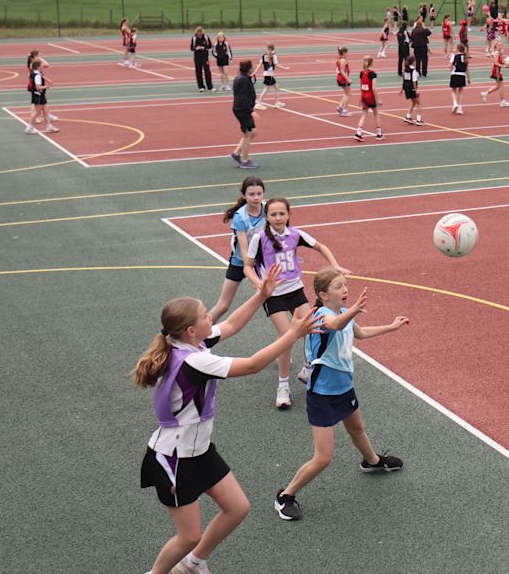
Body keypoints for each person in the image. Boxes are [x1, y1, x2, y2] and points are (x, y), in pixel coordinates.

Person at [134, 265, 320, 574]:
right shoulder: (195, 360)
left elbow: (232, 324)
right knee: (188, 535)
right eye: (205, 315)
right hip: (174, 458)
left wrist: (260, 294)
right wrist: (292, 333)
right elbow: (252, 365)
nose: (211, 317)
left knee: (237, 509)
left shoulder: (192, 344)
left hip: (199, 450)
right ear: (191, 329)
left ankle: (194, 564)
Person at [272, 269, 409, 521]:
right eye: (338, 286)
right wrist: (355, 310)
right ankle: (286, 496)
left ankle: (372, 461)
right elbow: (334, 326)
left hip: (344, 387)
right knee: (323, 458)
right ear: (323, 295)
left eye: (345, 285)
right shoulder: (319, 316)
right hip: (322, 394)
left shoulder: (344, 313)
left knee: (357, 428)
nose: (345, 290)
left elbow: (359, 332)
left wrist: (391, 327)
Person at [244, 197, 350, 409]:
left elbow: (321, 246)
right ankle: (283, 386)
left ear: (288, 214)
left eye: (282, 213)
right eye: (273, 214)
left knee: (314, 328)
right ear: (267, 216)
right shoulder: (259, 238)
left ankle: (307, 369)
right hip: (273, 294)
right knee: (287, 338)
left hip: (295, 289)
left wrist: (335, 265)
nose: (278, 217)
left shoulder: (296, 234)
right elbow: (247, 266)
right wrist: (259, 284)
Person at [209, 176, 268, 321]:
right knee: (223, 306)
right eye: (252, 194)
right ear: (244, 195)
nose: (256, 197)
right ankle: (199, 332)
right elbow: (244, 249)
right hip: (241, 262)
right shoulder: (240, 217)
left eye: (259, 194)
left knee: (274, 300)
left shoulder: (268, 209)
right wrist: (255, 278)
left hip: (262, 262)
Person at [229, 60, 258, 169]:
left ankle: (236, 154)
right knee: (248, 134)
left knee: (253, 132)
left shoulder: (242, 78)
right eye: (252, 67)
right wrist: (251, 111)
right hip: (242, 109)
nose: (253, 68)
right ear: (249, 68)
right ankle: (245, 160)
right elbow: (243, 98)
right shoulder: (243, 80)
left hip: (241, 108)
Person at [25, 57, 59, 134]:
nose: (43, 67)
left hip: (40, 95)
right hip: (39, 95)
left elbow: (41, 76)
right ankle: (29, 127)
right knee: (36, 112)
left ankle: (49, 126)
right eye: (41, 66)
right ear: (38, 67)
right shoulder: (37, 76)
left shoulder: (34, 72)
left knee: (46, 111)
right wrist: (47, 86)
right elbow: (38, 87)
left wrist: (48, 80)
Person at [354, 56, 383, 142]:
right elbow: (374, 88)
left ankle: (358, 133)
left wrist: (360, 99)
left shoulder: (361, 73)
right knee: (376, 114)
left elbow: (361, 87)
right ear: (371, 63)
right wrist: (378, 99)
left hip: (364, 95)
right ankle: (379, 134)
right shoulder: (372, 74)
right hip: (370, 96)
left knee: (363, 115)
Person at [251, 44, 285, 109]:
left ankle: (277, 102)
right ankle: (259, 103)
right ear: (274, 48)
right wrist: (285, 68)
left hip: (266, 74)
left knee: (276, 87)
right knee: (266, 89)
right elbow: (276, 65)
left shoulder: (264, 55)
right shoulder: (274, 55)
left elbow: (260, 64)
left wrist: (254, 72)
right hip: (270, 74)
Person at [449, 42, 470, 115]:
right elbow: (467, 69)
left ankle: (455, 103)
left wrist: (451, 68)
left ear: (457, 49)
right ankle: (460, 108)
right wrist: (469, 78)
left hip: (454, 74)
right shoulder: (465, 57)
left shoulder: (454, 56)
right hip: (462, 75)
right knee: (460, 92)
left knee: (453, 90)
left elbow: (450, 65)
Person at [401, 53, 423, 125]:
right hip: (412, 88)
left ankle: (408, 116)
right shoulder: (413, 70)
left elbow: (404, 80)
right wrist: (416, 90)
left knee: (413, 102)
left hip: (407, 88)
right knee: (418, 103)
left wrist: (402, 89)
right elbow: (414, 81)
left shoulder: (405, 70)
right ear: (413, 62)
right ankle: (419, 120)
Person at [191, 26, 214, 93]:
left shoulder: (206, 37)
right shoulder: (194, 38)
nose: (200, 33)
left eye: (201, 32)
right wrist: (196, 48)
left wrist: (204, 47)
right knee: (198, 71)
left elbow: (210, 46)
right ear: (196, 32)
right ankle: (201, 86)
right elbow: (192, 47)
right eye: (198, 32)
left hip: (205, 56)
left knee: (207, 71)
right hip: (197, 57)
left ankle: (210, 87)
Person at [334, 46, 352, 116]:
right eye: (347, 53)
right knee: (348, 94)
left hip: (340, 78)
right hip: (343, 78)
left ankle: (340, 107)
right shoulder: (343, 60)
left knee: (346, 93)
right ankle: (345, 110)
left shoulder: (339, 59)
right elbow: (342, 71)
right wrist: (348, 79)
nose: (347, 54)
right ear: (344, 53)